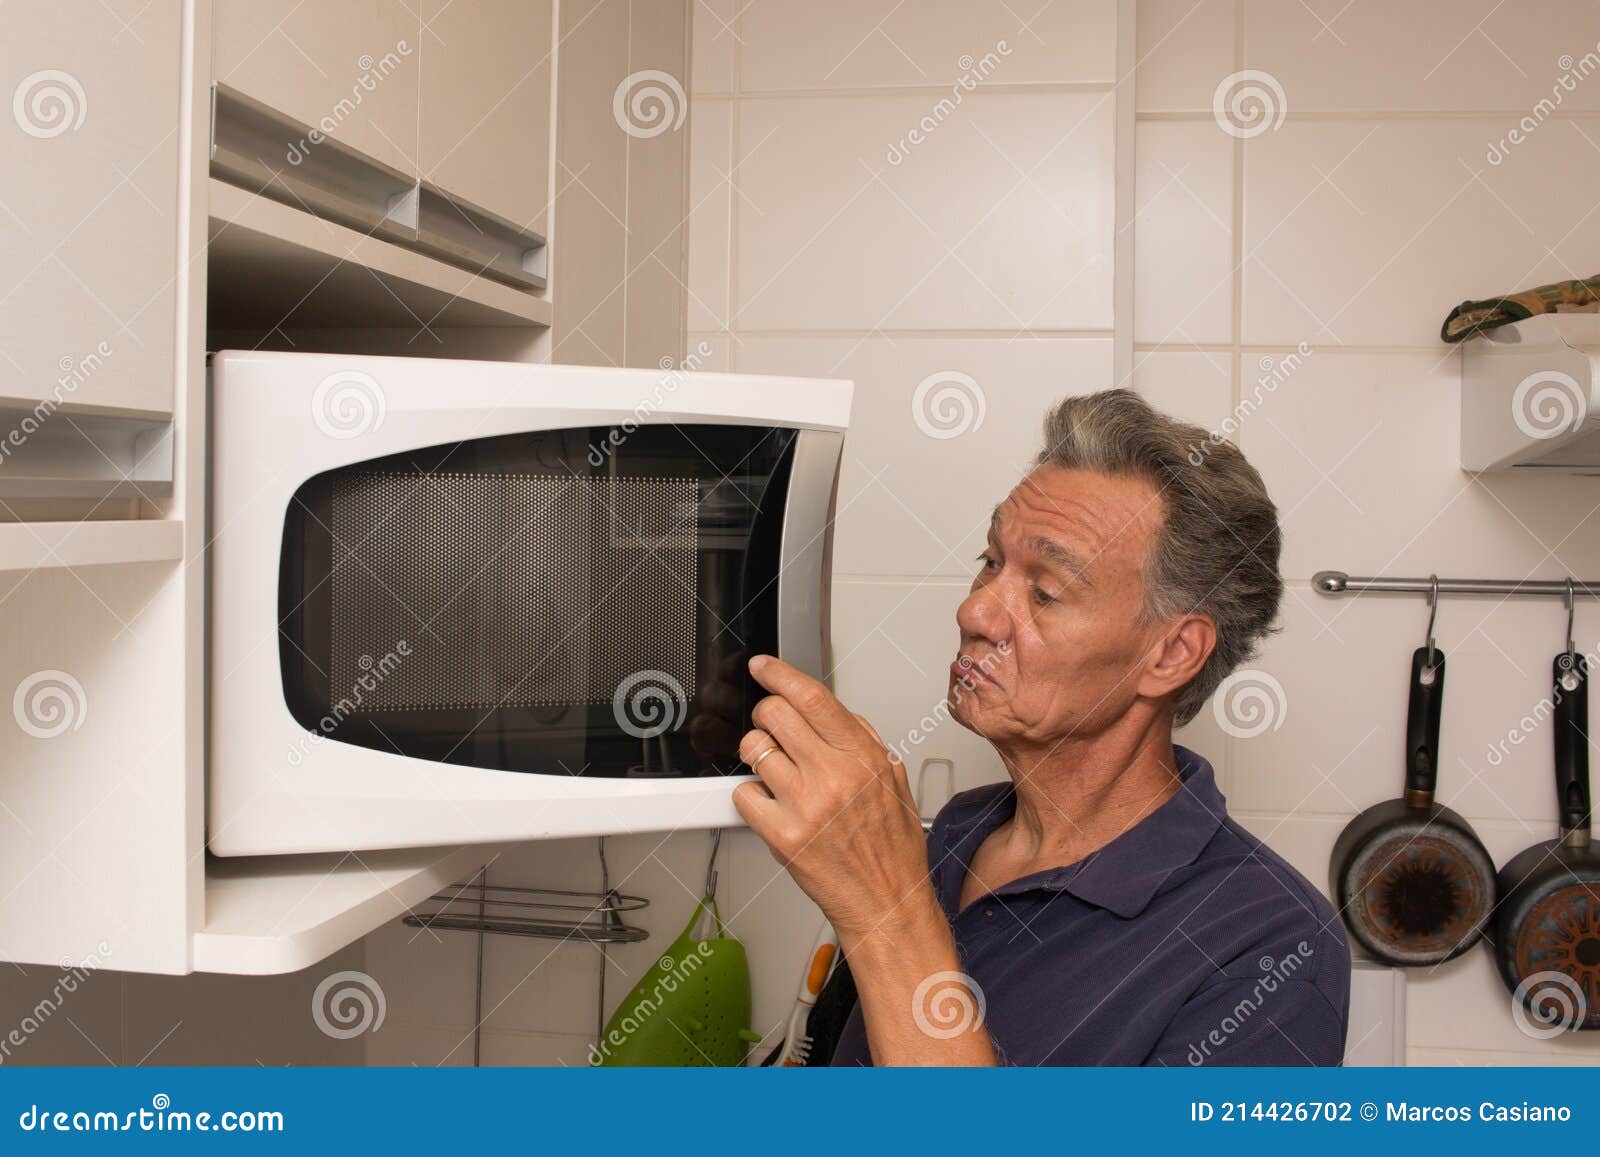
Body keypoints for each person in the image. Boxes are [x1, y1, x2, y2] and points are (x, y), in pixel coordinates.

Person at [732, 388, 1351, 1066]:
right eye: (992, 560)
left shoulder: (1273, 945)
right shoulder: (954, 836)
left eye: (1045, 590)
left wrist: (887, 910)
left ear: (1171, 653)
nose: (977, 611)